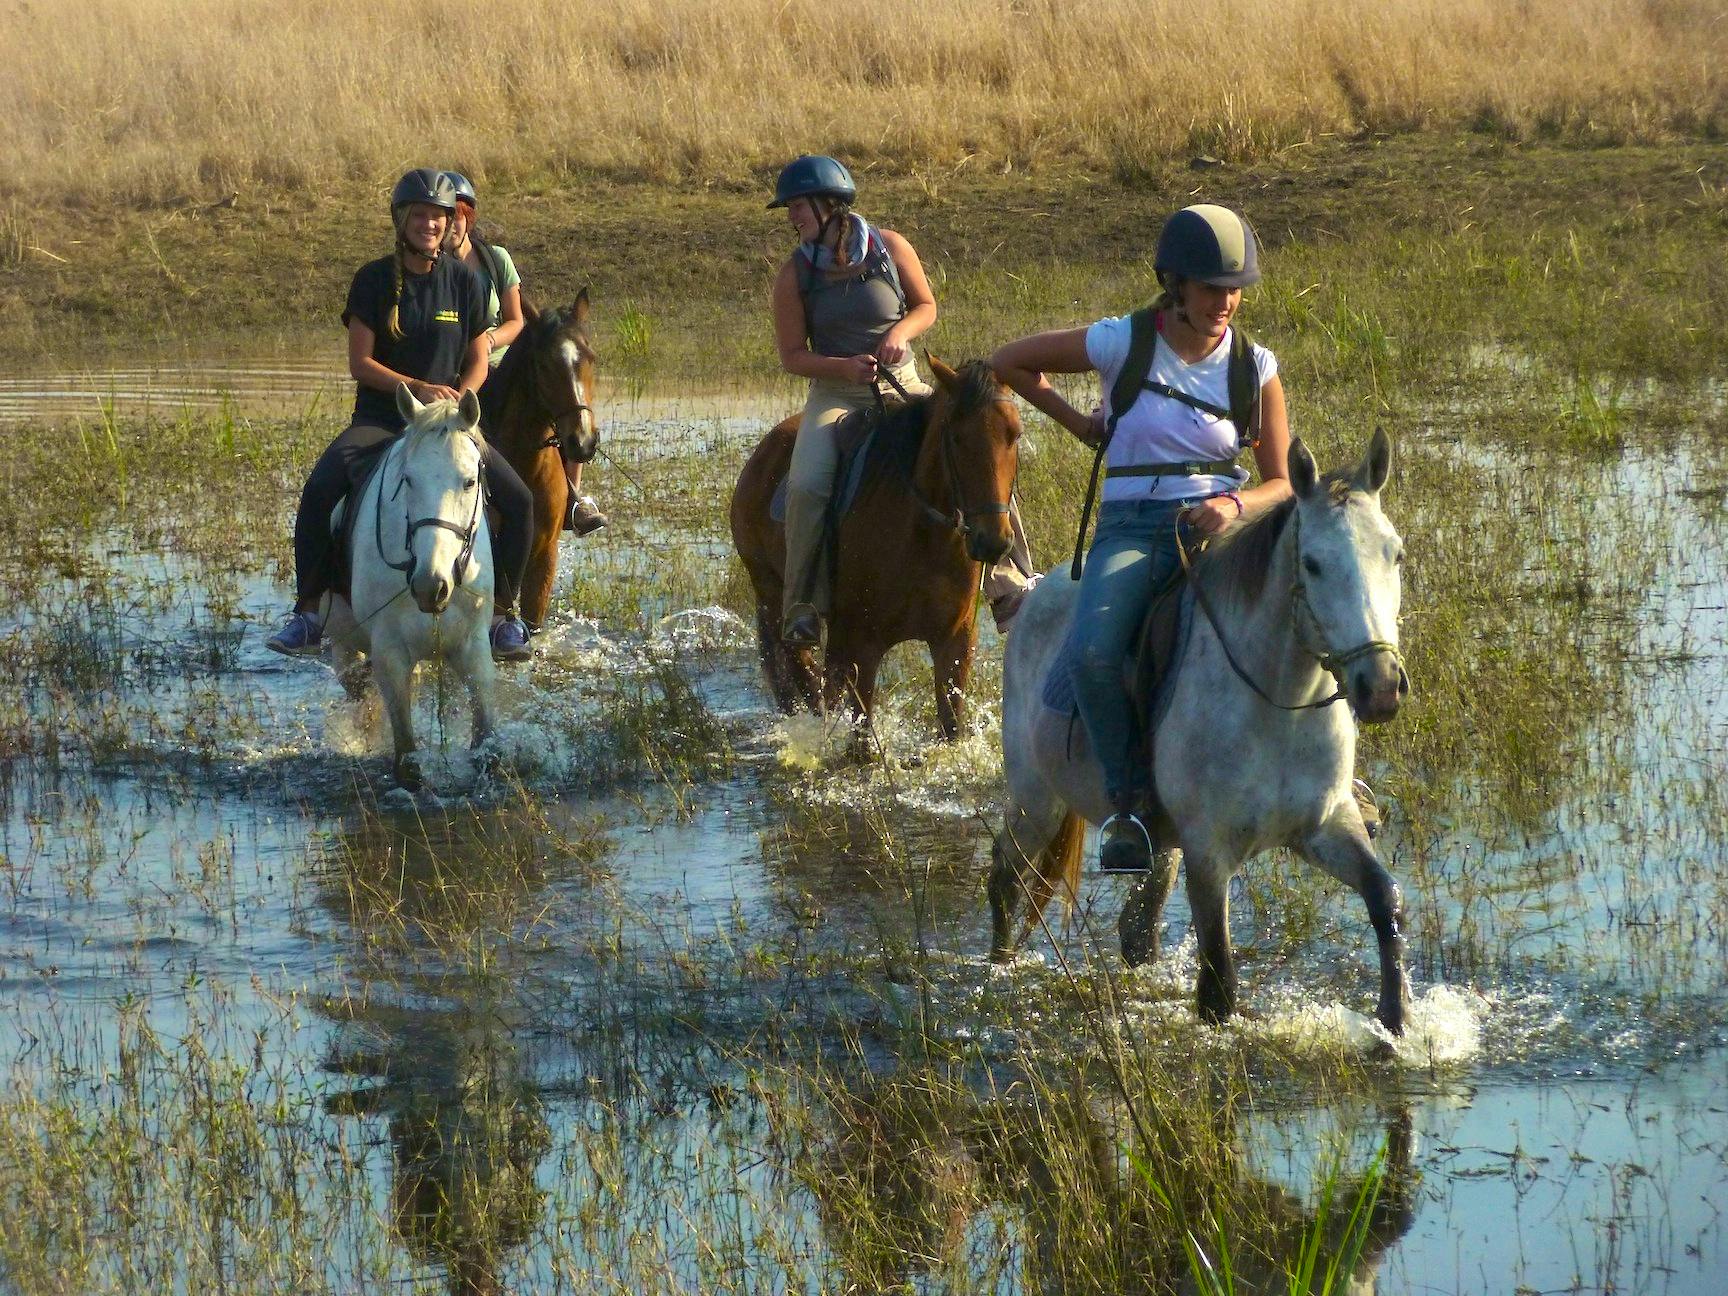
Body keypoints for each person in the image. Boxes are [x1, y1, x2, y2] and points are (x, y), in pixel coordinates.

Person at [991, 204, 1292, 872]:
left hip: (1222, 532)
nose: (1226, 302)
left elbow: (1286, 481)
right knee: (1094, 652)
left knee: (1316, 618)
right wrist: (1078, 422)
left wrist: (1236, 503)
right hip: (1133, 529)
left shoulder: (1255, 366)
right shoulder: (1120, 342)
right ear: (1175, 285)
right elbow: (1010, 362)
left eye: (1235, 288)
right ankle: (1128, 804)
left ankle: (1327, 782)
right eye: (1212, 288)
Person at [265, 168, 536, 663]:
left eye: (438, 216)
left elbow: (478, 357)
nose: (430, 224)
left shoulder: (466, 281)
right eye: (420, 216)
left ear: (451, 221)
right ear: (402, 221)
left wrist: (461, 398)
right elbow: (360, 363)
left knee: (518, 500)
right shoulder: (372, 279)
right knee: (321, 487)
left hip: (451, 422)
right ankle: (308, 612)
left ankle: (503, 615)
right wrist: (415, 388)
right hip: (383, 419)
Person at [768, 154, 1035, 647]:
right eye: (790, 208)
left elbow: (926, 306)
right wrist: (842, 367)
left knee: (980, 442)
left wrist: (899, 333)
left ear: (830, 204)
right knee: (806, 487)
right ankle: (803, 604)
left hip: (904, 383)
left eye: (798, 206)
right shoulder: (794, 276)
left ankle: (1010, 581)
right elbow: (792, 356)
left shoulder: (889, 248)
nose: (792, 217)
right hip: (837, 396)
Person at [444, 171, 607, 536]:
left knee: (557, 389)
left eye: (457, 215)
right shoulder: (433, 268)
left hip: (500, 361)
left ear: (467, 217)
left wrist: (488, 342)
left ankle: (572, 497)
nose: (450, 225)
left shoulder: (495, 260)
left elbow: (517, 320)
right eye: (444, 215)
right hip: (453, 369)